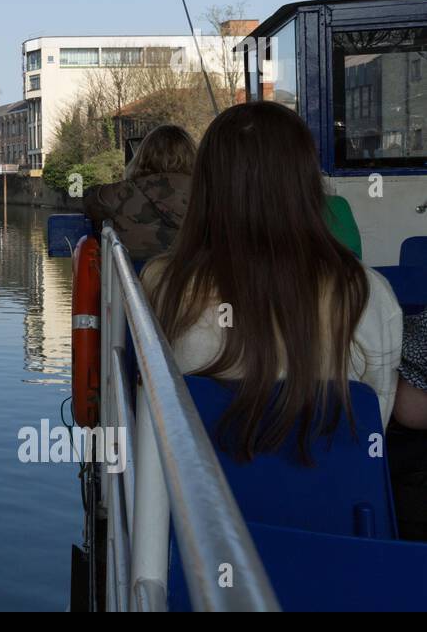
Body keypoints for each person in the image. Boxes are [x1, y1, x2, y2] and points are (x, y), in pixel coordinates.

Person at [141, 101, 404, 460]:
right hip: (335, 509)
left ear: (206, 186)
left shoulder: (162, 283)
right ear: (307, 181)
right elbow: (376, 423)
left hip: (200, 509)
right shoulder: (367, 292)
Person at [82, 124, 195, 262]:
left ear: (143, 155)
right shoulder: (207, 193)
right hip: (196, 277)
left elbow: (89, 201)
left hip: (132, 280)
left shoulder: (122, 192)